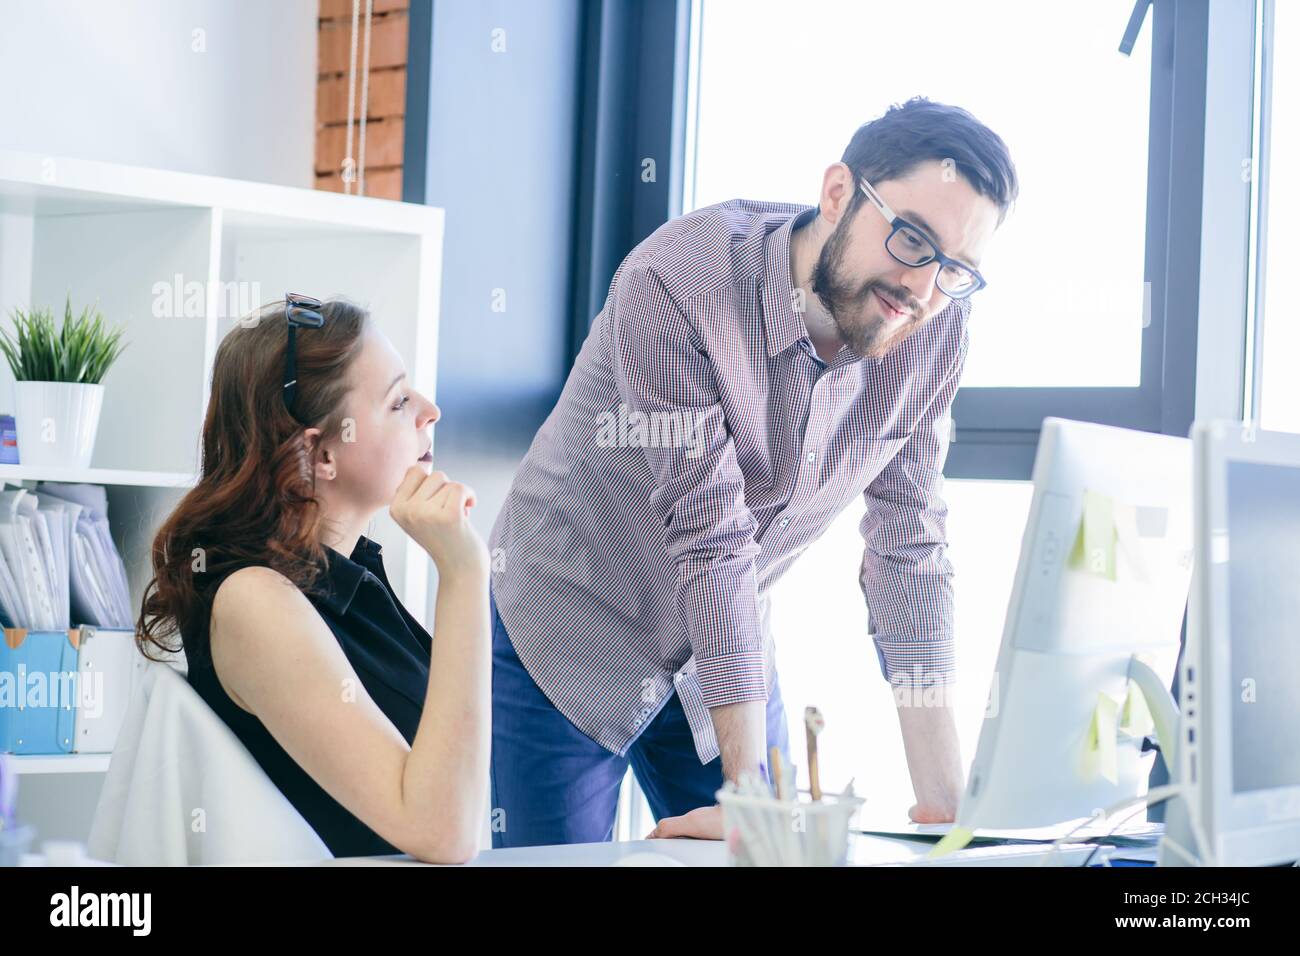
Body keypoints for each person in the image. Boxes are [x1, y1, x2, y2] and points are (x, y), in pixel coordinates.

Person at [488, 97, 1019, 845]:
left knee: (768, 862)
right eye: (910, 240)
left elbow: (911, 545)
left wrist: (949, 808)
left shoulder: (936, 330)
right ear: (837, 193)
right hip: (571, 626)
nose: (923, 289)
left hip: (724, 655)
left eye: (957, 269)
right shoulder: (681, 281)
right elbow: (711, 538)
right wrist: (750, 802)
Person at [137, 296, 491, 862]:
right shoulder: (255, 601)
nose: (431, 410)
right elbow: (443, 834)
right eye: (398, 402)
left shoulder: (348, 574)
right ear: (320, 453)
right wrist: (465, 573)